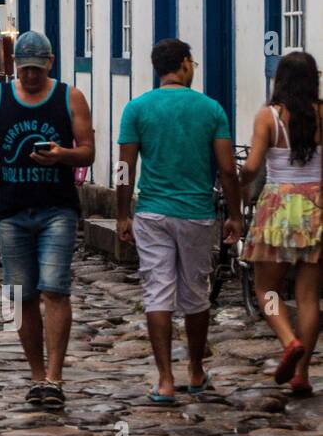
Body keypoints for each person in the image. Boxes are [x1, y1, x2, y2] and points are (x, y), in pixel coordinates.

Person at [0, 31, 94, 409]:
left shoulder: (69, 98)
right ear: (14, 67)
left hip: (58, 207)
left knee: (55, 288)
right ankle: (36, 375)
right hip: (12, 210)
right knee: (22, 295)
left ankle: (54, 378)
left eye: (37, 70)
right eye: (25, 71)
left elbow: (87, 151)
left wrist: (62, 155)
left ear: (50, 64)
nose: (31, 77)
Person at [116, 39, 241, 404]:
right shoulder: (211, 109)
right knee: (195, 293)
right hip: (196, 213)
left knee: (158, 291)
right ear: (185, 64)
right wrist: (234, 214)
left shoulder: (137, 108)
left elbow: (125, 168)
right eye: (193, 62)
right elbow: (227, 170)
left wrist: (123, 213)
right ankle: (197, 371)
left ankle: (166, 380)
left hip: (152, 211)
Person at [240, 51, 322, 396]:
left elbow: (253, 165)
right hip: (317, 207)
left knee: (267, 291)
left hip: (277, 208)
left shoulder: (269, 117)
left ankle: (288, 341)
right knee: (309, 297)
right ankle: (301, 373)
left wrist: (240, 185)